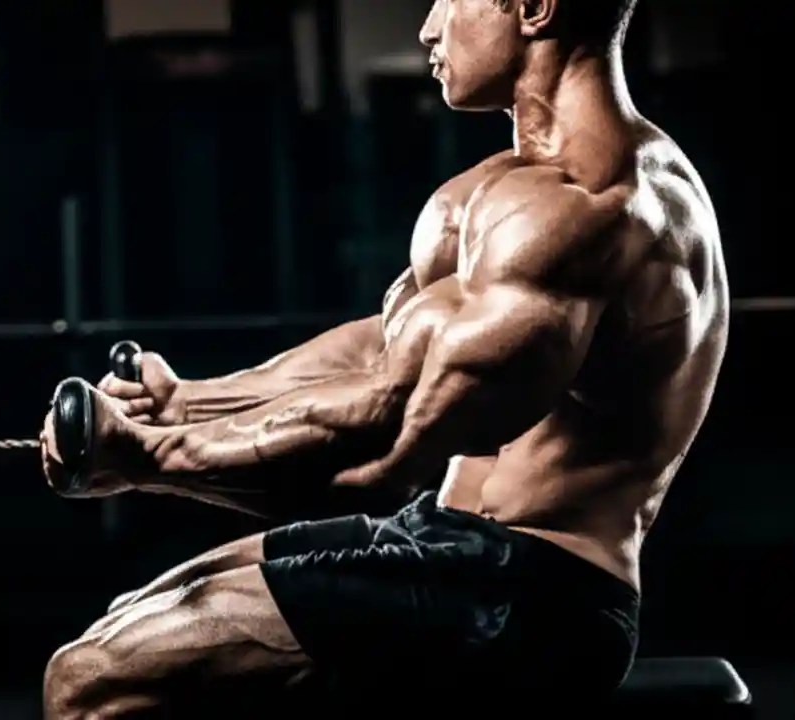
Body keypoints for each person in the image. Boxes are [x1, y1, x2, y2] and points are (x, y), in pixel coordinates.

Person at [40, 0, 728, 715]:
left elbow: (390, 442)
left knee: (91, 682)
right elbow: (388, 348)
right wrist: (188, 401)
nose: (430, 27)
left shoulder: (595, 209)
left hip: (536, 595)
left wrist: (153, 457)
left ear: (533, 8)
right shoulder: (504, 191)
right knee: (132, 616)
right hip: (446, 541)